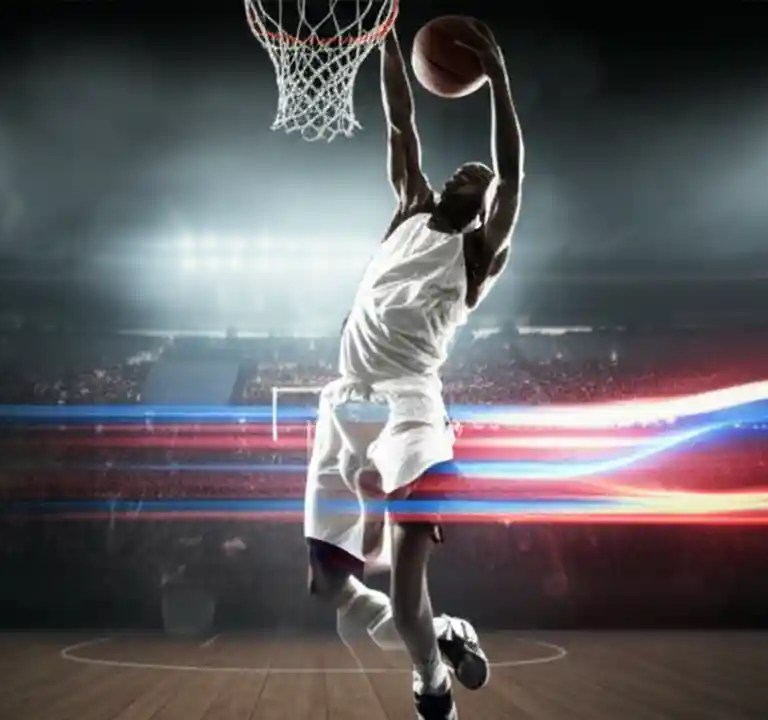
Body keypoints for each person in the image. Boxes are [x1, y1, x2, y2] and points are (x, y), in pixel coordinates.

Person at [302, 18, 524, 720]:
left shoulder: (480, 255)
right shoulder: (409, 207)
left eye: (479, 175)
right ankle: (447, 630)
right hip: (344, 401)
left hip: (409, 409)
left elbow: (514, 170)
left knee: (403, 599)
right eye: (466, 166)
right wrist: (388, 35)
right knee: (327, 586)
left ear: (487, 204)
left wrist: (500, 84)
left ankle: (433, 688)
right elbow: (401, 122)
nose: (471, 169)